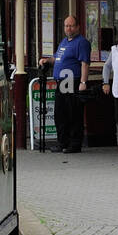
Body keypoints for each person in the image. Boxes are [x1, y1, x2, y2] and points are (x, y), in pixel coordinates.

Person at [38, 14, 91, 154]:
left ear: (78, 27)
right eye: (66, 26)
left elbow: (85, 63)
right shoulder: (64, 42)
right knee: (60, 113)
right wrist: (47, 61)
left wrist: (83, 82)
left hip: (72, 80)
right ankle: (63, 142)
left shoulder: (81, 42)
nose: (68, 28)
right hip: (62, 81)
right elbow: (57, 58)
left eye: (71, 25)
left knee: (73, 113)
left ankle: (74, 144)